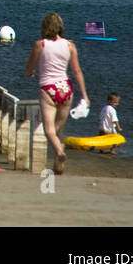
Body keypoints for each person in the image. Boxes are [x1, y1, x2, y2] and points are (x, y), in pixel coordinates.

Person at [25, 12, 88, 175]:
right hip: (65, 88)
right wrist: (84, 95)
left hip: (48, 89)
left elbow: (30, 66)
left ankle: (60, 153)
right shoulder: (70, 45)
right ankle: (58, 167)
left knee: (49, 131)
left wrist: (30, 72)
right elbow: (77, 71)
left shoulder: (41, 44)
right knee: (59, 130)